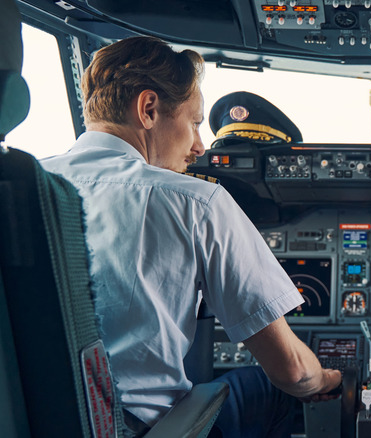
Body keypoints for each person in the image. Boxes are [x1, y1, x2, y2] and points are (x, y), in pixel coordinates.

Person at [40, 36, 341, 437]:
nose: (200, 146)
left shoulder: (27, 189)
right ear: (148, 109)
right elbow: (293, 372)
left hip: (30, 419)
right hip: (142, 430)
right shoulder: (194, 201)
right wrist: (328, 382)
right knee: (275, 391)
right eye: (195, 122)